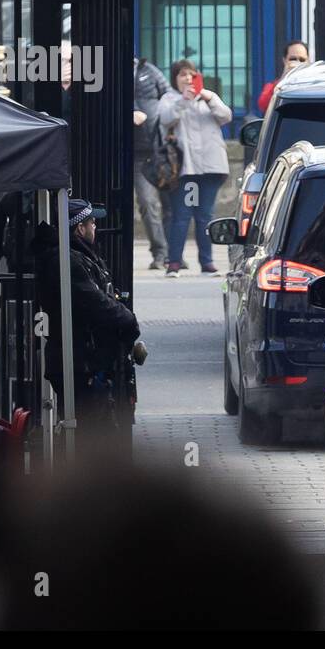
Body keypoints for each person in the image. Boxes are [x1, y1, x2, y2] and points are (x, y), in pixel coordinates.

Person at [33, 199, 146, 452]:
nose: (95, 226)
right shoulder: (66, 261)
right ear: (78, 228)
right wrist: (128, 320)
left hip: (87, 359)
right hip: (78, 362)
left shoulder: (79, 256)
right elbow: (94, 302)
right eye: (92, 222)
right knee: (90, 432)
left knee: (97, 426)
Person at [157, 59, 233, 277]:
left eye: (191, 75)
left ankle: (207, 261)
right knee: (181, 215)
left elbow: (225, 116)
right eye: (183, 75)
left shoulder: (208, 96)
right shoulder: (170, 99)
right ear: (175, 79)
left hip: (210, 167)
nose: (188, 79)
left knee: (205, 216)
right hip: (185, 169)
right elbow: (165, 119)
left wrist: (209, 99)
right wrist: (183, 101)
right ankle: (174, 262)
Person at [133, 57, 171, 270]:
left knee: (168, 205)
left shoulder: (149, 70)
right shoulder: (109, 71)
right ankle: (160, 252)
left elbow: (167, 96)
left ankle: (168, 254)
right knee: (147, 203)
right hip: (133, 151)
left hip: (158, 148)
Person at [257, 40, 310, 115]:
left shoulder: (314, 86)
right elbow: (263, 105)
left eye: (302, 60)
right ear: (284, 60)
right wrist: (284, 78)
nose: (298, 63)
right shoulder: (273, 86)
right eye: (293, 59)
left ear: (308, 61)